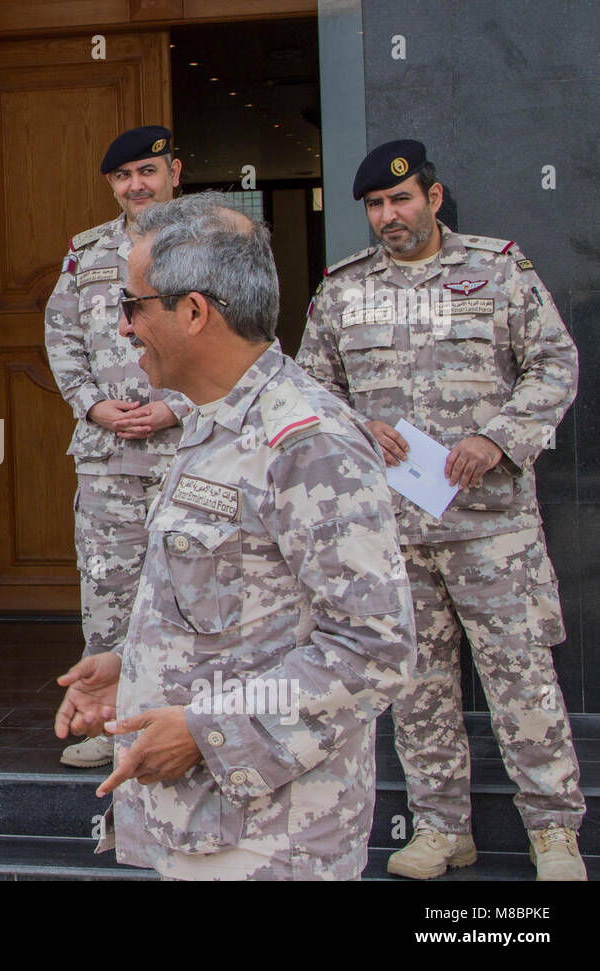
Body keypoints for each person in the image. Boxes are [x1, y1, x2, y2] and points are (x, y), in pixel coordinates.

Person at [54, 193, 416, 879]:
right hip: (200, 825)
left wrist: (204, 731)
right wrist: (134, 667)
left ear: (193, 312)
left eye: (133, 305)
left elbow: (375, 649)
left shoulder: (308, 442)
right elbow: (240, 608)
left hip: (272, 840)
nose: (123, 328)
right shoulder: (210, 420)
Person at [296, 140, 586, 880]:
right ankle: (439, 826)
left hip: (493, 528)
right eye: (375, 206)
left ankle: (553, 832)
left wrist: (499, 435)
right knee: (419, 688)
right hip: (393, 530)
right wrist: (357, 426)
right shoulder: (342, 290)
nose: (389, 216)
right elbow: (308, 394)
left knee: (521, 681)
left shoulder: (498, 270)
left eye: (401, 200)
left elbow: (556, 363)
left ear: (433, 196)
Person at [44, 125, 186, 768]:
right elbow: (61, 337)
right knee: (108, 590)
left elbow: (245, 340)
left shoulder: (206, 244)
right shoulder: (87, 251)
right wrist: (93, 404)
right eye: (124, 177)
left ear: (174, 172)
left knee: (190, 588)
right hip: (108, 455)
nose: (137, 186)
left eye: (148, 172)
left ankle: (180, 726)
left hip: (189, 447)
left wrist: (174, 407)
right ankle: (109, 724)